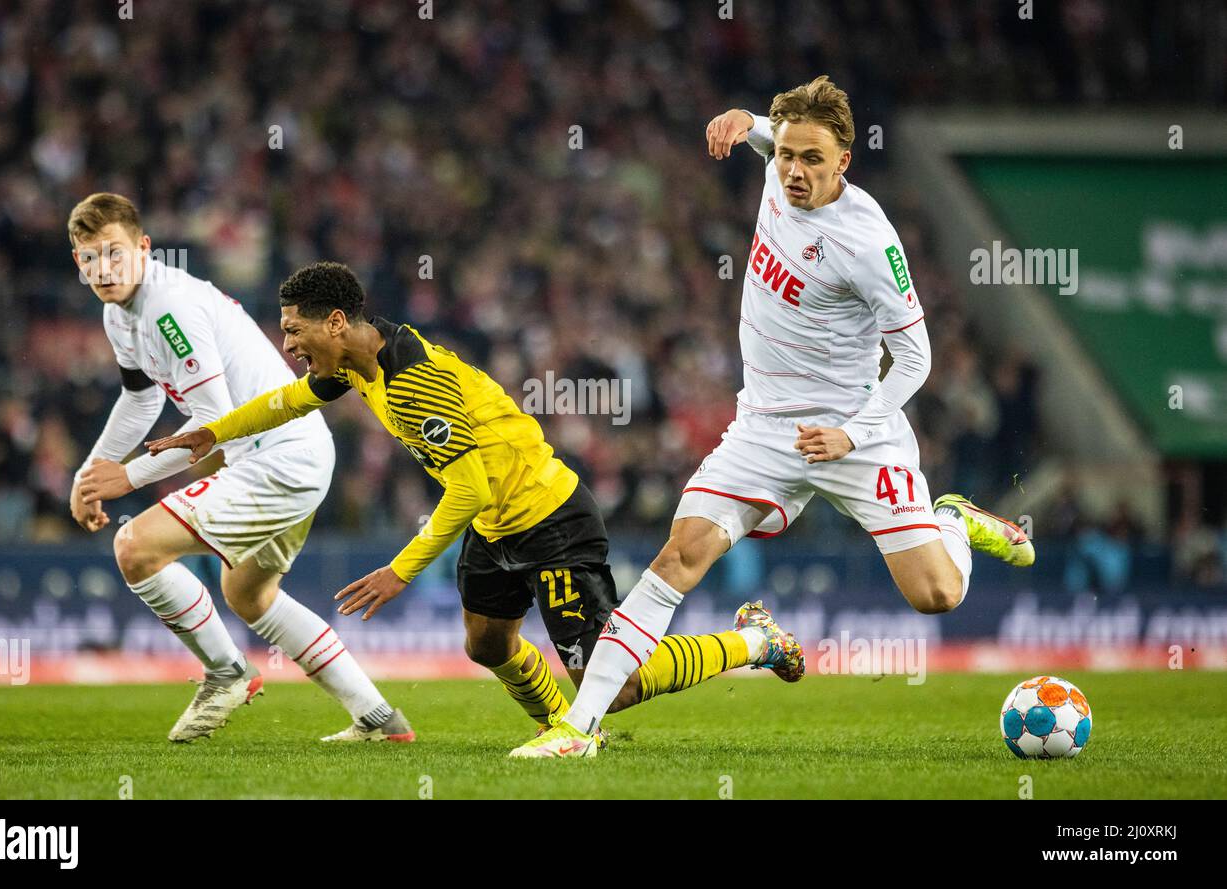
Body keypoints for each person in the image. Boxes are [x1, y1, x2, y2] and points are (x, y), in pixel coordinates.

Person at [515, 76, 1033, 758]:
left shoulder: (868, 241)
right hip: (761, 429)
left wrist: (852, 430)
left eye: (812, 159)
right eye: (786, 154)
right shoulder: (778, 162)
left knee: (936, 594)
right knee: (680, 554)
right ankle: (577, 730)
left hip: (854, 435)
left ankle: (953, 521)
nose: (794, 170)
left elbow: (915, 358)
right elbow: (769, 129)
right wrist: (743, 119)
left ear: (844, 160)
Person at [147, 261, 806, 743]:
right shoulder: (352, 363)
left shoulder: (415, 384)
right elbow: (285, 401)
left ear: (337, 322)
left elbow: (471, 488)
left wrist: (400, 570)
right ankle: (566, 726)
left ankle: (756, 641)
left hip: (549, 516)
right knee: (487, 643)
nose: (287, 345)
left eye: (294, 331)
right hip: (496, 526)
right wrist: (213, 430)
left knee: (617, 681)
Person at [68, 193, 411, 743]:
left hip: (277, 457)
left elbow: (215, 426)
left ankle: (226, 673)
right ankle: (379, 720)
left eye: (114, 253)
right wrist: (93, 473)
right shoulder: (119, 315)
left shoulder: (166, 306)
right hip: (292, 453)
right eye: (89, 259)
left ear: (144, 248)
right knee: (248, 595)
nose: (103, 269)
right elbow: (139, 401)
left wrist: (127, 478)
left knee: (135, 547)